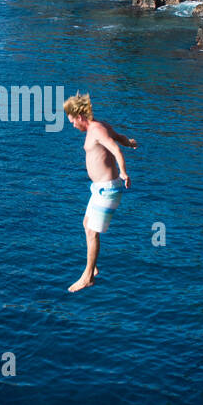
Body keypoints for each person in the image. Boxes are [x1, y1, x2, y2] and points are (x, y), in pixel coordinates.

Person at [63, 92, 136, 292]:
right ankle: (92, 266)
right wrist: (128, 142)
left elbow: (115, 149)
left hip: (108, 189)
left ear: (79, 117)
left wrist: (123, 172)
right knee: (86, 223)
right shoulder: (100, 126)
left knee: (92, 232)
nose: (72, 125)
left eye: (71, 121)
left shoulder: (96, 130)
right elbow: (118, 137)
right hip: (98, 189)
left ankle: (87, 277)